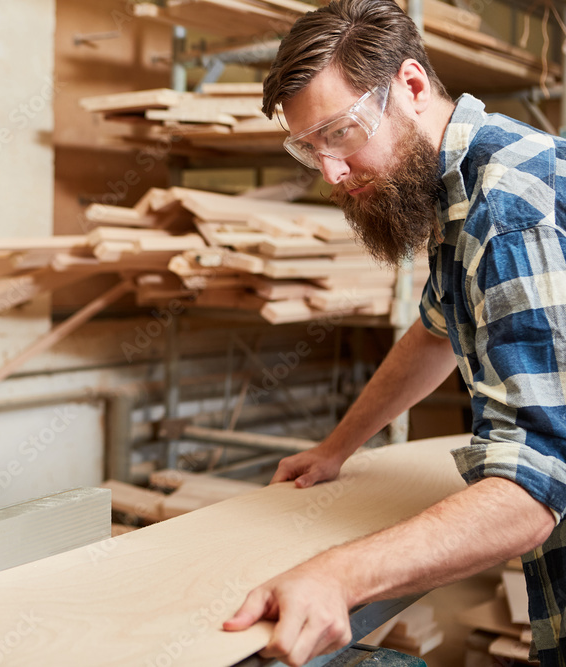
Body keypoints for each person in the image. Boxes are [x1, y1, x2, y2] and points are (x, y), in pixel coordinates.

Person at [220, 1, 566, 665]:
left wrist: (338, 575)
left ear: (410, 86)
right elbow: (438, 330)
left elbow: (539, 480)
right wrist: (337, 446)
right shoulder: (458, 186)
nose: (332, 173)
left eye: (342, 133)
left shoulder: (506, 208)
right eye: (309, 149)